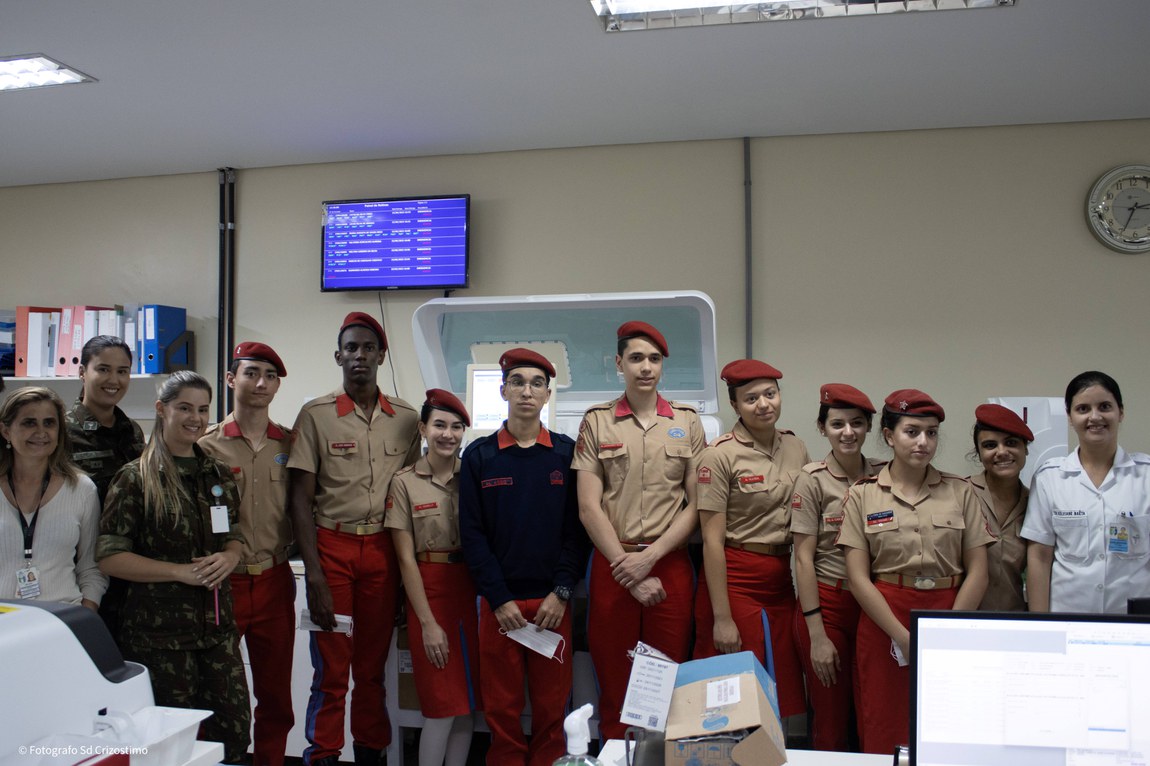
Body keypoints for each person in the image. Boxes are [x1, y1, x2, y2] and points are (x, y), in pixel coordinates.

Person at [95, 371, 251, 764]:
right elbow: (110, 557)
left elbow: (234, 535)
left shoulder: (217, 475)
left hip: (216, 634)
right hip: (158, 640)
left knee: (232, 735)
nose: (194, 418)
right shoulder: (135, 479)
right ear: (161, 409)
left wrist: (231, 555)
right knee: (166, 749)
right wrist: (177, 571)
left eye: (202, 409)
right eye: (184, 408)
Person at [287, 311, 420, 766]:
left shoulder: (406, 418)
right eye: (351, 348)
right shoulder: (317, 415)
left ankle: (370, 752)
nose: (359, 356)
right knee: (330, 668)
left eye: (368, 348)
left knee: (371, 669)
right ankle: (322, 754)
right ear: (338, 356)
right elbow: (300, 501)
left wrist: (406, 577)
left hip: (383, 552)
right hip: (332, 550)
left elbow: (411, 494)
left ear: (381, 355)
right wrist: (315, 577)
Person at [837, 389, 992, 755]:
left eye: (932, 432)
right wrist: (904, 637)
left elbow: (979, 572)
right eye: (912, 431)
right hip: (885, 619)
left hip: (951, 613)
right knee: (883, 720)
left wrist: (947, 632)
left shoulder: (960, 492)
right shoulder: (863, 495)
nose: (924, 442)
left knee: (948, 721)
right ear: (889, 436)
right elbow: (858, 578)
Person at [573, 321, 704, 740]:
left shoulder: (686, 422)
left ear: (662, 365)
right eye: (635, 358)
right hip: (614, 566)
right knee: (615, 683)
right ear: (618, 364)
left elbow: (696, 505)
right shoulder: (597, 422)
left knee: (665, 684)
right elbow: (588, 507)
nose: (645, 367)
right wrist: (625, 566)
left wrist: (649, 559)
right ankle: (616, 750)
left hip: (669, 563)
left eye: (654, 359)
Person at [460, 349, 587, 766]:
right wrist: (498, 598)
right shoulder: (479, 457)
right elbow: (472, 536)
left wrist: (562, 591)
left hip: (554, 605)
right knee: (501, 708)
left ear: (547, 395)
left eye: (536, 384)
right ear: (503, 391)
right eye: (517, 382)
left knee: (553, 709)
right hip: (501, 609)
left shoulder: (566, 455)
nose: (526, 391)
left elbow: (577, 530)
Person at [693, 360, 809, 723]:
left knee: (783, 688)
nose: (763, 404)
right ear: (735, 405)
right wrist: (722, 617)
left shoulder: (796, 447)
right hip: (735, 579)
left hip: (780, 581)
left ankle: (771, 757)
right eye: (751, 398)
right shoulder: (719, 455)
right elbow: (712, 542)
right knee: (737, 692)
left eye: (770, 394)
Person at [198, 342, 295, 766]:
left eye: (270, 376)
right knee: (217, 690)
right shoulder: (206, 446)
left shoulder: (291, 443)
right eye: (252, 373)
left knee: (275, 695)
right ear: (231, 378)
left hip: (275, 581)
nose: (261, 383)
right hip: (224, 584)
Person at [386, 389, 482, 766]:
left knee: (466, 705)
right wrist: (426, 623)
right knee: (441, 707)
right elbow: (405, 560)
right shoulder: (405, 482)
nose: (448, 434)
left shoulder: (473, 477)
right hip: (430, 589)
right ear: (423, 429)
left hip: (471, 590)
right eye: (439, 425)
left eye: (457, 427)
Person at [791, 383, 883, 752]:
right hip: (828, 605)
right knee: (830, 719)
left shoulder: (883, 475)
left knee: (872, 709)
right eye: (838, 424)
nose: (848, 433)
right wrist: (817, 635)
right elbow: (802, 558)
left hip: (873, 606)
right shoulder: (811, 479)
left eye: (857, 423)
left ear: (869, 428)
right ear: (822, 428)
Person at [1023, 371, 1150, 614]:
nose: (1095, 416)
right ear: (1070, 417)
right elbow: (1039, 558)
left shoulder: (1145, 476)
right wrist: (1040, 623)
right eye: (1082, 409)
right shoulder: (1050, 478)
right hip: (1069, 621)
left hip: (1134, 623)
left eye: (1105, 406)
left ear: (1120, 412)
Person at [65, 335, 146, 642]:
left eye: (123, 371)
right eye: (104, 369)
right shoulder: (60, 431)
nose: (114, 380)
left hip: (129, 572)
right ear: (82, 371)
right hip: (80, 573)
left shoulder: (133, 432)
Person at [1, 387, 106, 609]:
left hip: (61, 621)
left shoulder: (82, 489)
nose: (41, 432)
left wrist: (86, 617)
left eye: (49, 423)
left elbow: (91, 568)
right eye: (29, 422)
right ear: (6, 431)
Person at [965, 404, 1033, 611]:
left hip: (1015, 621)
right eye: (990, 445)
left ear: (1025, 448)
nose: (1001, 452)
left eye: (1011, 443)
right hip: (962, 619)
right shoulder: (960, 494)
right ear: (978, 452)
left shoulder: (1037, 503)